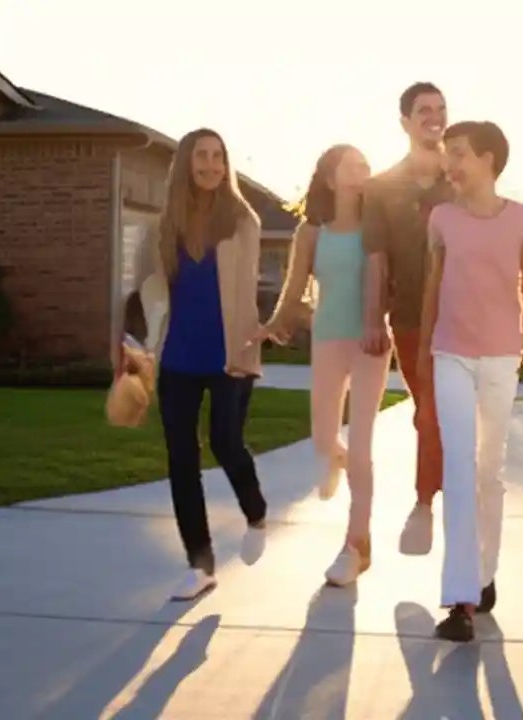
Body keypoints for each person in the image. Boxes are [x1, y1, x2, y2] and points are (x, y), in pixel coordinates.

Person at [123, 127, 268, 602]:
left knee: (227, 444)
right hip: (179, 356)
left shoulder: (242, 219)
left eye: (218, 156)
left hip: (229, 353)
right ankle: (200, 563)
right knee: (182, 459)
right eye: (202, 156)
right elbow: (148, 287)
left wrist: (249, 349)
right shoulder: (165, 225)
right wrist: (138, 348)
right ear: (186, 162)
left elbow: (244, 294)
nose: (211, 164)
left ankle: (255, 507)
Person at [420, 121, 523, 642]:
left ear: (489, 159)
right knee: (459, 465)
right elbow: (432, 286)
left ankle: (484, 573)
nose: (451, 164)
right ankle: (461, 599)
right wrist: (425, 356)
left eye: (461, 154)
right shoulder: (441, 218)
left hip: (501, 357)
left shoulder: (522, 219)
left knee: (489, 471)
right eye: (448, 154)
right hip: (451, 352)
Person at [253, 144, 390, 587]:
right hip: (329, 339)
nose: (362, 171)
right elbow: (293, 292)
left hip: (370, 343)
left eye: (365, 165)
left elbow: (381, 281)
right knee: (322, 437)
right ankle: (338, 458)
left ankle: (357, 544)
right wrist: (269, 327)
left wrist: (375, 324)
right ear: (330, 179)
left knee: (364, 447)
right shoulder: (310, 233)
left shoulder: (377, 226)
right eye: (352, 166)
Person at [361, 81, 455, 556]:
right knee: (429, 408)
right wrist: (374, 318)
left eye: (440, 109)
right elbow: (376, 257)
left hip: (462, 317)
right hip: (410, 316)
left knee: (441, 411)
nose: (434, 117)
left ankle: (426, 500)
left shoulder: (461, 181)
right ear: (405, 122)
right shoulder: (380, 188)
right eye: (423, 110)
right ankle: (432, 496)